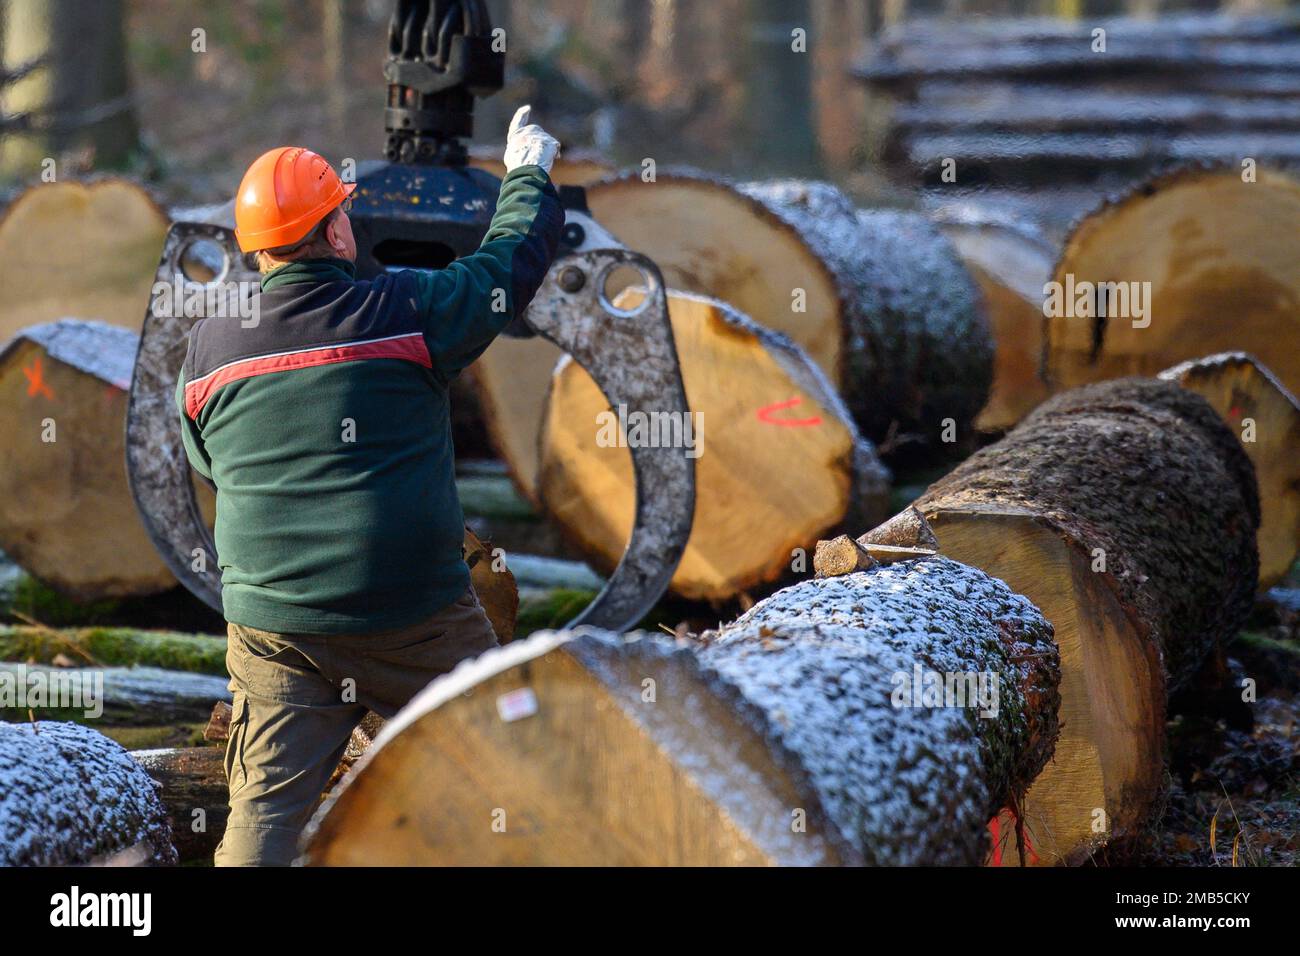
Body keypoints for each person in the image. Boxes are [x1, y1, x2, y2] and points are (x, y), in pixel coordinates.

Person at [176, 107, 564, 866]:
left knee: (263, 820)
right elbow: (506, 270)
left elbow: (207, 461)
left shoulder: (208, 347)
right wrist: (529, 176)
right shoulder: (404, 309)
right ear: (340, 232)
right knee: (512, 772)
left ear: (255, 251)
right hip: (411, 612)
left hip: (272, 623)